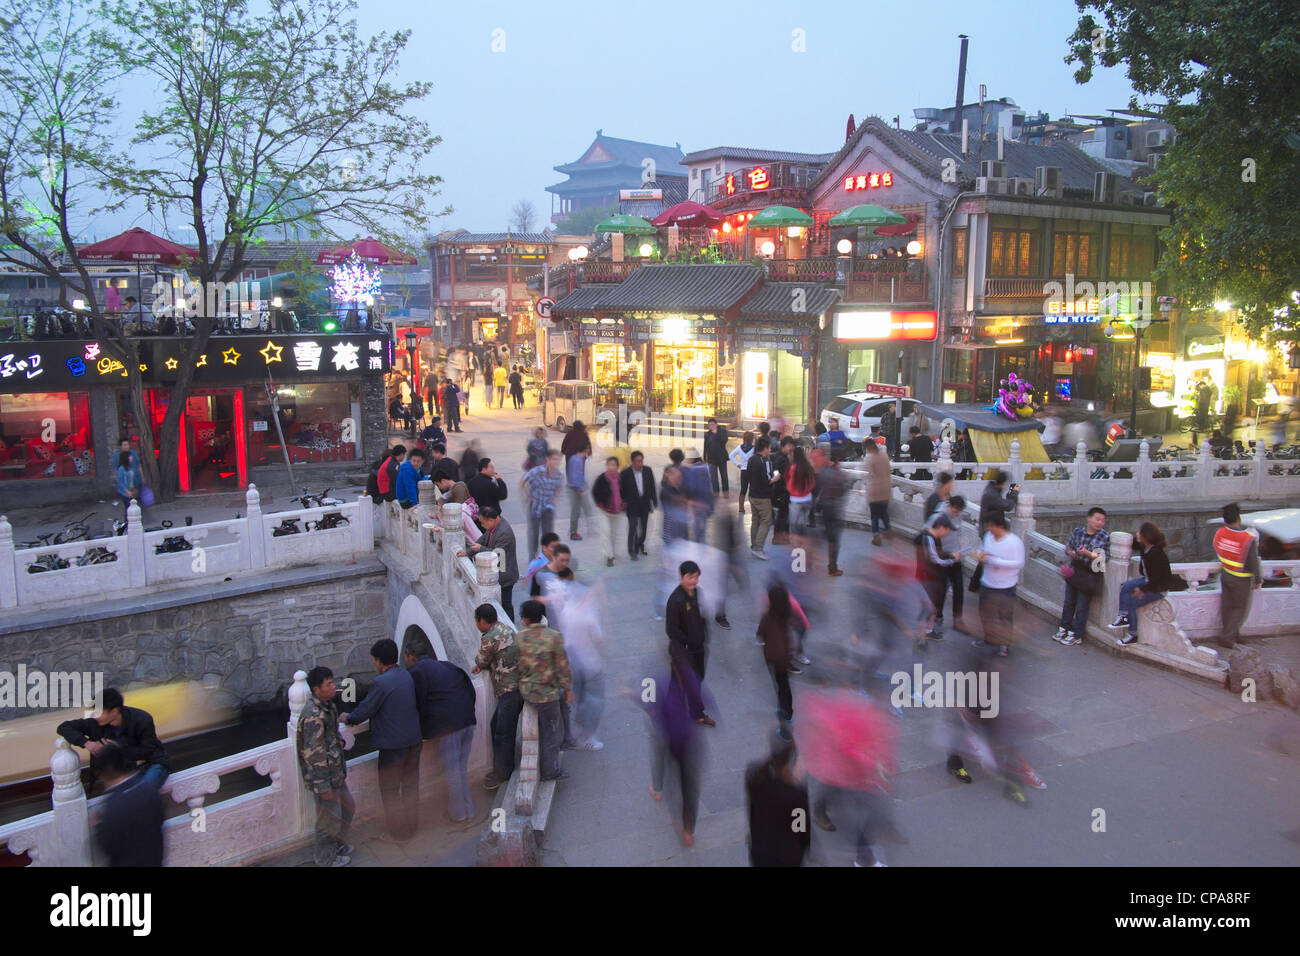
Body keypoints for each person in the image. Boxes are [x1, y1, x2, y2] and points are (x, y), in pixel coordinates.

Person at [341, 639, 422, 842]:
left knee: (390, 790)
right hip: (413, 740)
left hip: (393, 745)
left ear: (378, 661)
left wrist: (348, 718)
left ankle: (398, 833)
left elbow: (365, 709)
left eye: (373, 660)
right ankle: (412, 827)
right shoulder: (406, 675)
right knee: (410, 786)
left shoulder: (381, 682)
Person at [405, 635, 477, 827]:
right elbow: (469, 688)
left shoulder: (416, 671)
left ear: (411, 657)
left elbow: (418, 703)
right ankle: (469, 810)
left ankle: (458, 815)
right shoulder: (447, 665)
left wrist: (423, 729)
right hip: (467, 720)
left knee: (452, 772)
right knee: (460, 769)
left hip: (449, 727)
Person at [57, 687, 171, 792]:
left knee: (141, 791)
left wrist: (119, 749)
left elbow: (149, 751)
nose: (95, 716)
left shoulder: (142, 719)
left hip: (152, 763)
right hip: (121, 773)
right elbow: (63, 727)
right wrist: (87, 743)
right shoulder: (94, 722)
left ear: (114, 711)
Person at [297, 665, 354, 866]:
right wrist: (323, 787)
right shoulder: (313, 715)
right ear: (316, 689)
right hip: (324, 778)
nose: (333, 687)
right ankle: (325, 859)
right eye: (328, 684)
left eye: (332, 683)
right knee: (327, 820)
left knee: (347, 808)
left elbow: (331, 735)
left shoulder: (329, 706)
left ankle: (337, 845)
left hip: (335, 772)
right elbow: (313, 754)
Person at [515, 599, 573, 780]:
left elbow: (518, 665)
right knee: (552, 733)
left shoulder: (519, 638)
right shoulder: (554, 636)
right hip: (548, 695)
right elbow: (563, 667)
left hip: (528, 692)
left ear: (525, 619)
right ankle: (550, 771)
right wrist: (567, 689)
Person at [89, 744, 165, 867]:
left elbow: (108, 846)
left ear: (101, 774)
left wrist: (97, 826)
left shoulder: (114, 804)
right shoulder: (148, 788)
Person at [472, 604, 521, 791]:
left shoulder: (489, 637)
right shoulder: (505, 628)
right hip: (518, 685)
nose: (477, 624)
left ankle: (503, 772)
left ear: (482, 621)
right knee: (497, 727)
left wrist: (480, 665)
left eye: (477, 621)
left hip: (509, 689)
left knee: (503, 732)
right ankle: (502, 767)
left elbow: (481, 660)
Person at [745, 738, 810, 867]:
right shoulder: (796, 796)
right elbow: (801, 831)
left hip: (760, 852)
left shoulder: (755, 779)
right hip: (786, 858)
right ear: (787, 767)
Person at [665, 560, 715, 726]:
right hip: (683, 652)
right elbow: (671, 630)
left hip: (698, 648)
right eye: (690, 577)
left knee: (697, 680)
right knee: (678, 684)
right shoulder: (675, 600)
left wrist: (703, 634)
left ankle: (695, 713)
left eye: (696, 577)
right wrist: (688, 643)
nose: (694, 581)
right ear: (681, 577)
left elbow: (700, 615)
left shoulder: (697, 592)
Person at [1053, 506, 1110, 647]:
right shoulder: (1078, 532)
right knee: (1069, 602)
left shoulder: (1104, 536)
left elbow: (1103, 557)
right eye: (1097, 519)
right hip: (1075, 569)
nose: (1100, 523)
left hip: (1090, 573)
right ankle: (1063, 628)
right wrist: (1071, 553)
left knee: (1082, 606)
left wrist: (1086, 553)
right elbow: (1068, 546)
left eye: (1103, 520)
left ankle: (1076, 634)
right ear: (1088, 518)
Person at [1111, 522, 1174, 646]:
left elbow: (1157, 579)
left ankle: (1133, 634)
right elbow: (1132, 543)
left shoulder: (1156, 553)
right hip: (1147, 580)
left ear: (1146, 536)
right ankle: (1123, 616)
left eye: (1139, 532)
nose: (1137, 534)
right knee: (1125, 586)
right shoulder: (1144, 547)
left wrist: (1142, 590)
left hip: (1158, 588)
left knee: (1131, 602)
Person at [972, 515, 1025, 658]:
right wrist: (980, 555)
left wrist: (996, 561)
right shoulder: (988, 537)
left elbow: (1019, 563)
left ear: (1000, 526)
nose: (988, 529)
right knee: (985, 614)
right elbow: (982, 550)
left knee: (1004, 617)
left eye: (991, 526)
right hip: (987, 582)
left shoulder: (1014, 542)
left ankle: (1004, 644)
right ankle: (989, 639)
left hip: (1005, 586)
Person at [1214, 503, 1263, 648]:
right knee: (1239, 608)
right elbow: (1253, 561)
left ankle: (1233, 634)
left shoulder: (1220, 533)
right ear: (1238, 519)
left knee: (1227, 606)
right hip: (1241, 578)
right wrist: (1258, 578)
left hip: (1226, 574)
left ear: (1225, 520)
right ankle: (1227, 638)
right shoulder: (1247, 538)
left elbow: (1217, 548)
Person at [463, 506, 519, 621]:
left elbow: (497, 554)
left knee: (505, 606)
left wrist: (480, 549)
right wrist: (468, 552)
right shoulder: (495, 525)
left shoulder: (504, 532)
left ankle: (510, 627)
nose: (482, 525)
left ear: (491, 520)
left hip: (504, 574)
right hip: (497, 571)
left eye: (483, 523)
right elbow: (483, 538)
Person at [758, 583, 800, 724]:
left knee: (779, 684)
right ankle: (788, 710)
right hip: (785, 657)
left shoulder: (767, 616)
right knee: (784, 683)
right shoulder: (789, 614)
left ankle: (785, 712)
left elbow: (760, 633)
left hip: (772, 657)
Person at [927, 495, 969, 633]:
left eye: (959, 511)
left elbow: (959, 533)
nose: (957, 513)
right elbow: (929, 536)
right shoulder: (938, 516)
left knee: (959, 588)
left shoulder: (958, 515)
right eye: (955, 510)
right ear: (949, 505)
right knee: (941, 589)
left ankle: (958, 619)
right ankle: (937, 616)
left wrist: (961, 549)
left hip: (955, 556)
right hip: (942, 555)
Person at [916, 513, 961, 640]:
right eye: (947, 530)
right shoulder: (928, 539)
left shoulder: (932, 538)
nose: (948, 533)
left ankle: (928, 631)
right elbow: (936, 559)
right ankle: (922, 634)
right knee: (928, 606)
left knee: (933, 606)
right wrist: (952, 558)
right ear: (941, 527)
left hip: (932, 577)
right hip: (928, 578)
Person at [521, 449, 564, 559]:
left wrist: (554, 499)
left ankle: (546, 558)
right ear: (547, 459)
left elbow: (558, 488)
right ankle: (532, 558)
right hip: (534, 507)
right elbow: (523, 481)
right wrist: (527, 496)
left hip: (548, 509)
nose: (556, 462)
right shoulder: (537, 471)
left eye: (558, 460)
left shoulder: (559, 475)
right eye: (553, 459)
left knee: (548, 535)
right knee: (533, 534)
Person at [620, 450, 658, 559]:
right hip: (632, 504)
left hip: (644, 503)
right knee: (633, 528)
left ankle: (640, 544)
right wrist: (623, 501)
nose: (640, 463)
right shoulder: (625, 473)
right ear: (632, 462)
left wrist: (654, 500)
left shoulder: (647, 470)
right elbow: (621, 489)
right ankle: (632, 551)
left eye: (641, 461)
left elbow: (652, 486)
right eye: (637, 461)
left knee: (644, 529)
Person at [816, 448, 848, 576]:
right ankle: (832, 566)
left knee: (828, 535)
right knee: (834, 540)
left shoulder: (823, 472)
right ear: (838, 459)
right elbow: (843, 490)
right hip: (834, 509)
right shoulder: (839, 475)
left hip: (825, 507)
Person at [745, 437, 777, 558]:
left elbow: (748, 476)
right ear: (765, 449)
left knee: (755, 520)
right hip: (762, 496)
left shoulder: (752, 459)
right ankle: (758, 547)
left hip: (752, 494)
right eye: (769, 448)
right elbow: (766, 481)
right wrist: (775, 479)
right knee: (767, 520)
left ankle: (754, 545)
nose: (770, 450)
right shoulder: (763, 461)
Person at [592, 455, 626, 567]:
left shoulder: (621, 478)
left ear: (617, 466)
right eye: (609, 465)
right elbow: (595, 492)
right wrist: (601, 505)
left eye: (614, 465)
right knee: (605, 533)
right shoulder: (602, 478)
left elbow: (626, 492)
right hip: (604, 512)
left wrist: (624, 503)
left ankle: (612, 552)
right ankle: (609, 556)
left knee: (614, 534)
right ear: (606, 466)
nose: (611, 467)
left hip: (617, 511)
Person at [864, 439, 891, 545]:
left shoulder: (870, 459)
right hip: (886, 489)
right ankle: (888, 530)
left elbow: (869, 474)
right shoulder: (885, 456)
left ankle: (876, 536)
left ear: (868, 448)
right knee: (883, 512)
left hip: (875, 490)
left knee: (874, 515)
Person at [785, 445, 816, 535]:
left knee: (794, 526)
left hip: (795, 499)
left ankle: (797, 541)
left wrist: (791, 491)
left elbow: (789, 483)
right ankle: (803, 539)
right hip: (807, 498)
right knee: (803, 523)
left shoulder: (792, 468)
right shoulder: (808, 467)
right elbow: (812, 482)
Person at [565, 446, 591, 541]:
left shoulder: (573, 458)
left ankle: (573, 530)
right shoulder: (578, 460)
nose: (587, 455)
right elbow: (577, 475)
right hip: (575, 489)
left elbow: (575, 474)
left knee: (578, 510)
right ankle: (573, 533)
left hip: (573, 487)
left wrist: (584, 484)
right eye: (587, 452)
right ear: (584, 451)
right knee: (576, 511)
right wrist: (580, 490)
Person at [730, 430, 756, 514]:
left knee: (743, 490)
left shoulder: (739, 447)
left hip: (743, 470)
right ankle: (753, 508)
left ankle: (741, 508)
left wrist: (737, 464)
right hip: (752, 471)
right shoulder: (754, 448)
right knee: (752, 490)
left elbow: (731, 455)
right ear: (752, 439)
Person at [703, 418, 731, 497]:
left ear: (716, 424)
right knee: (713, 477)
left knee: (724, 476)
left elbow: (724, 441)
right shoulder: (707, 434)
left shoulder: (722, 431)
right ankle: (716, 493)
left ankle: (726, 492)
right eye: (709, 425)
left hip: (722, 458)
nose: (711, 426)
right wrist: (705, 457)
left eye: (712, 424)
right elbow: (705, 446)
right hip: (711, 459)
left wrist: (716, 434)